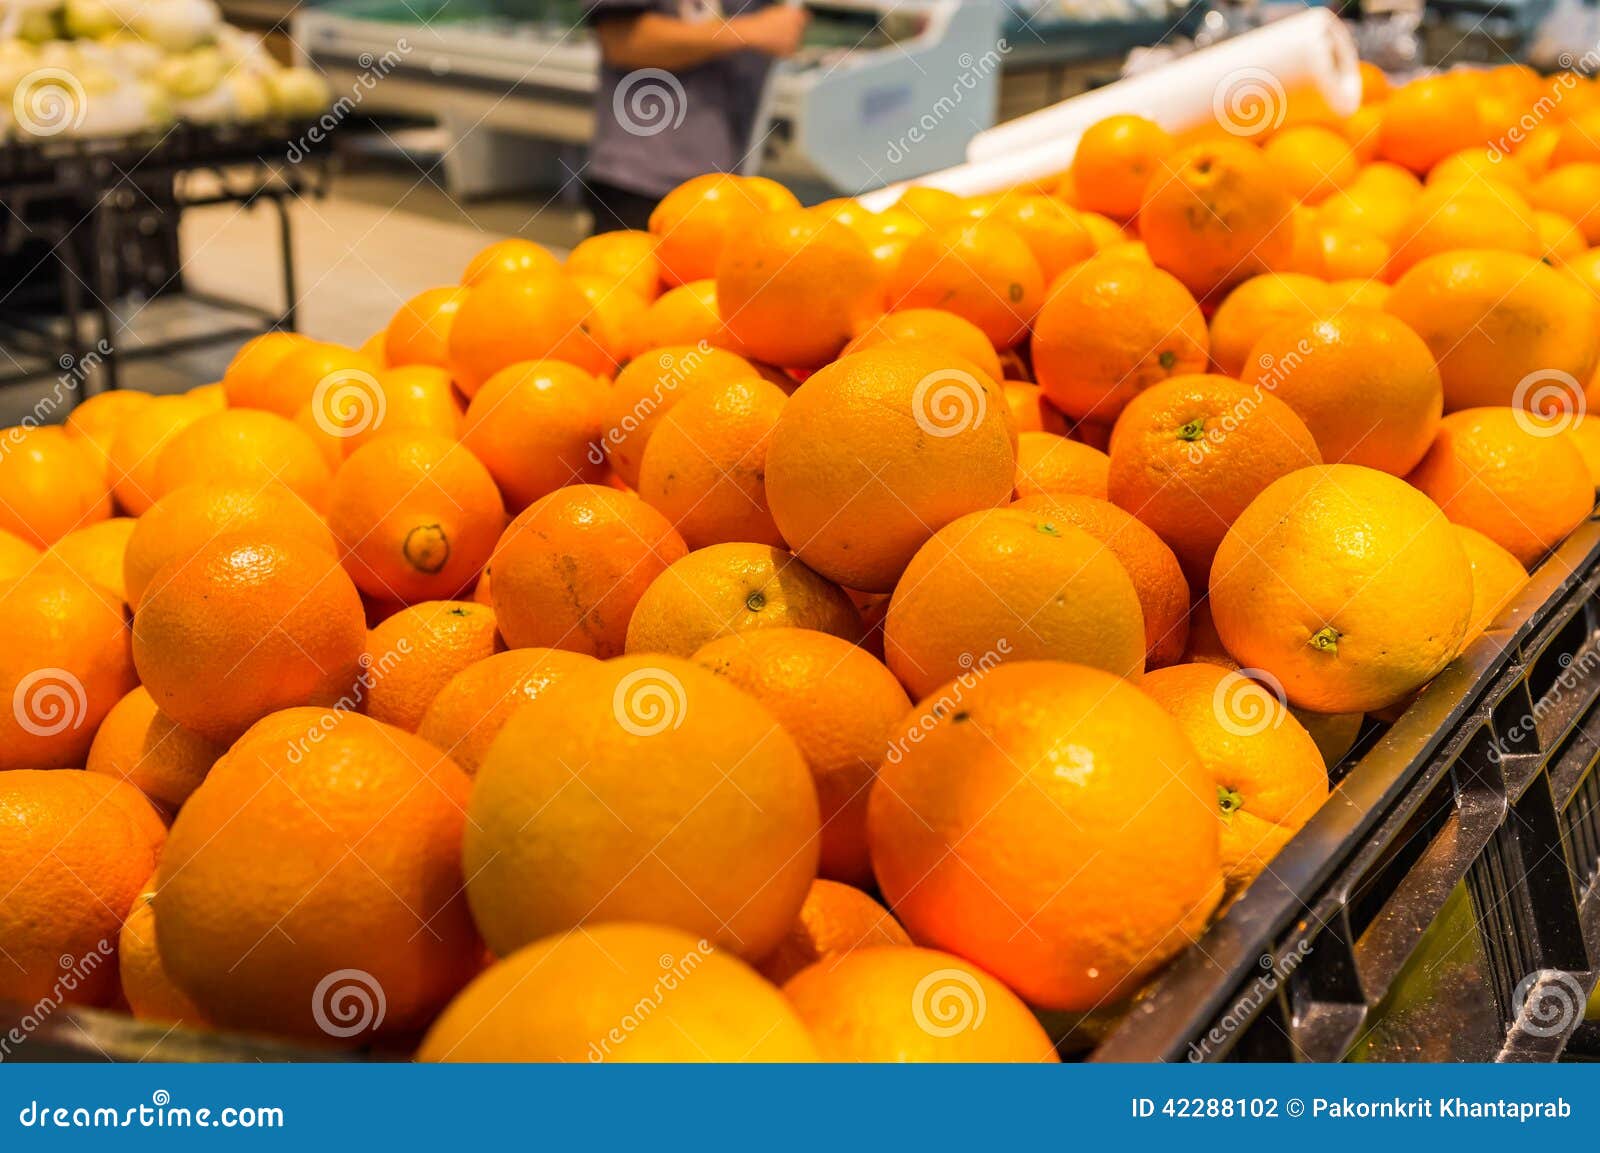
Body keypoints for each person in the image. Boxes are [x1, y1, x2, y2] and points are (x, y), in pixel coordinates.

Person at [584, 1, 810, 232]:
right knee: (631, 262)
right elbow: (622, 40)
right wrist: (751, 30)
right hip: (645, 179)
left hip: (727, 183)